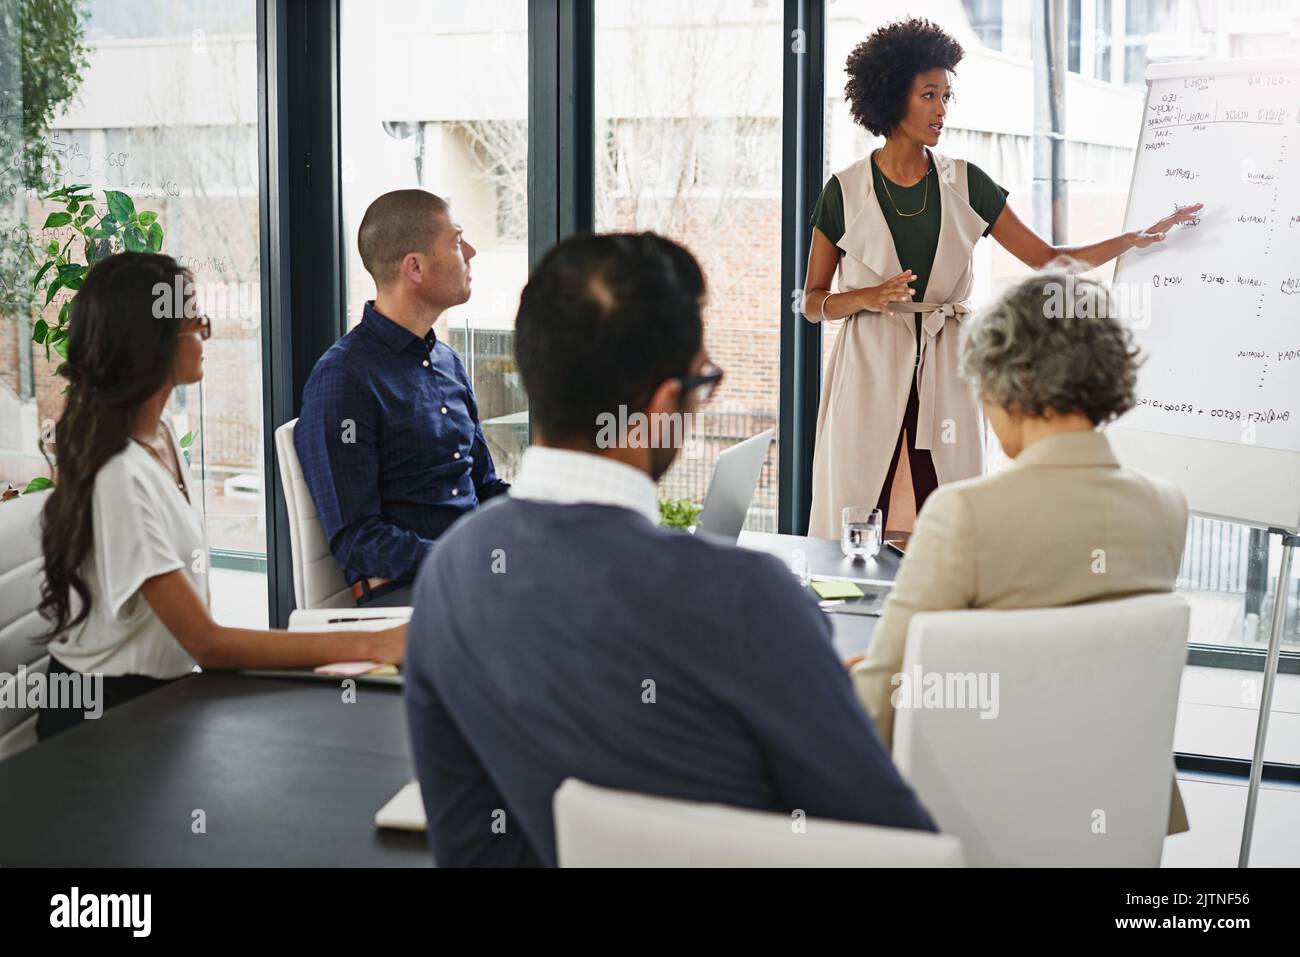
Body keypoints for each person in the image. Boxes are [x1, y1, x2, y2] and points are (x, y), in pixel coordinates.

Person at [404, 233, 935, 867]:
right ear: (661, 406)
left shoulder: (452, 571)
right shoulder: (749, 598)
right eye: (701, 383)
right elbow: (902, 848)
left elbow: (467, 842)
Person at [801, 16, 1203, 536]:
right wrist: (864, 297)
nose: (942, 109)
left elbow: (1048, 258)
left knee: (944, 509)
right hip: (869, 367)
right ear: (891, 95)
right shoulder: (844, 191)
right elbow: (811, 301)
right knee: (854, 505)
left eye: (946, 96)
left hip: (947, 362)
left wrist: (1129, 238)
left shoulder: (966, 182)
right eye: (929, 95)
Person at [846, 263, 1189, 832]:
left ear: (1009, 381)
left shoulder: (964, 514)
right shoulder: (1166, 507)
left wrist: (848, 682)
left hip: (975, 811)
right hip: (1118, 810)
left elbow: (880, 704)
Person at [36, 252, 404, 740]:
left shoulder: (160, 434)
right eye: (196, 323)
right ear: (153, 341)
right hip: (103, 727)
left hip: (160, 698)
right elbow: (205, 643)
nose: (207, 334)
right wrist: (372, 645)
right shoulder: (119, 477)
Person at [295, 189, 509, 607]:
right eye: (456, 241)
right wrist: (465, 562)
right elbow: (357, 540)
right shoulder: (344, 379)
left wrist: (550, 515)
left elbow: (482, 486)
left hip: (470, 578)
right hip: (411, 593)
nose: (471, 251)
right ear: (415, 266)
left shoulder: (446, 361)